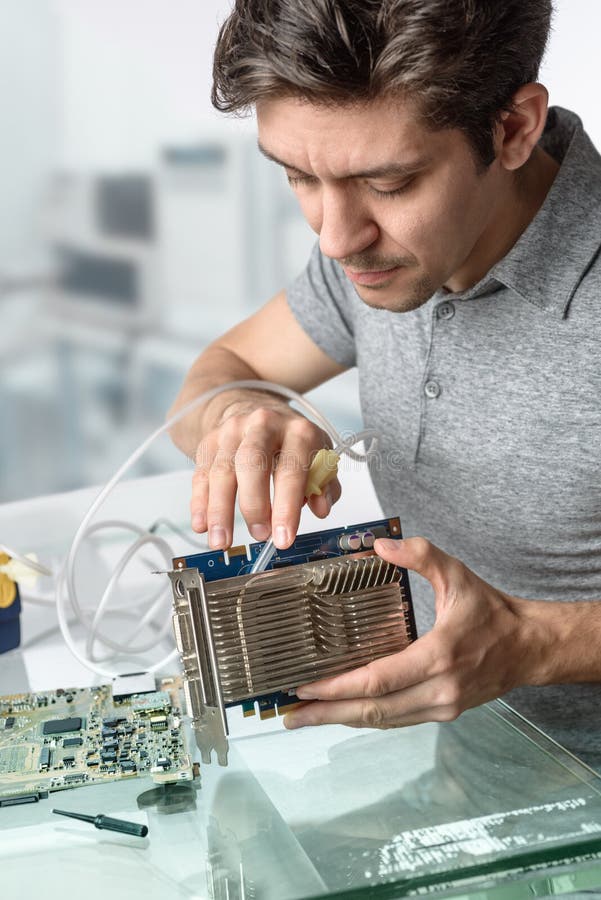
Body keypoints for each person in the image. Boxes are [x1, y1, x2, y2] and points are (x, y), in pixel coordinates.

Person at [169, 0, 601, 770]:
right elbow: (225, 370)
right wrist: (241, 415)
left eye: (389, 182)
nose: (334, 236)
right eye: (299, 175)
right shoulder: (384, 256)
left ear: (512, 129)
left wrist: (530, 645)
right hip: (464, 772)